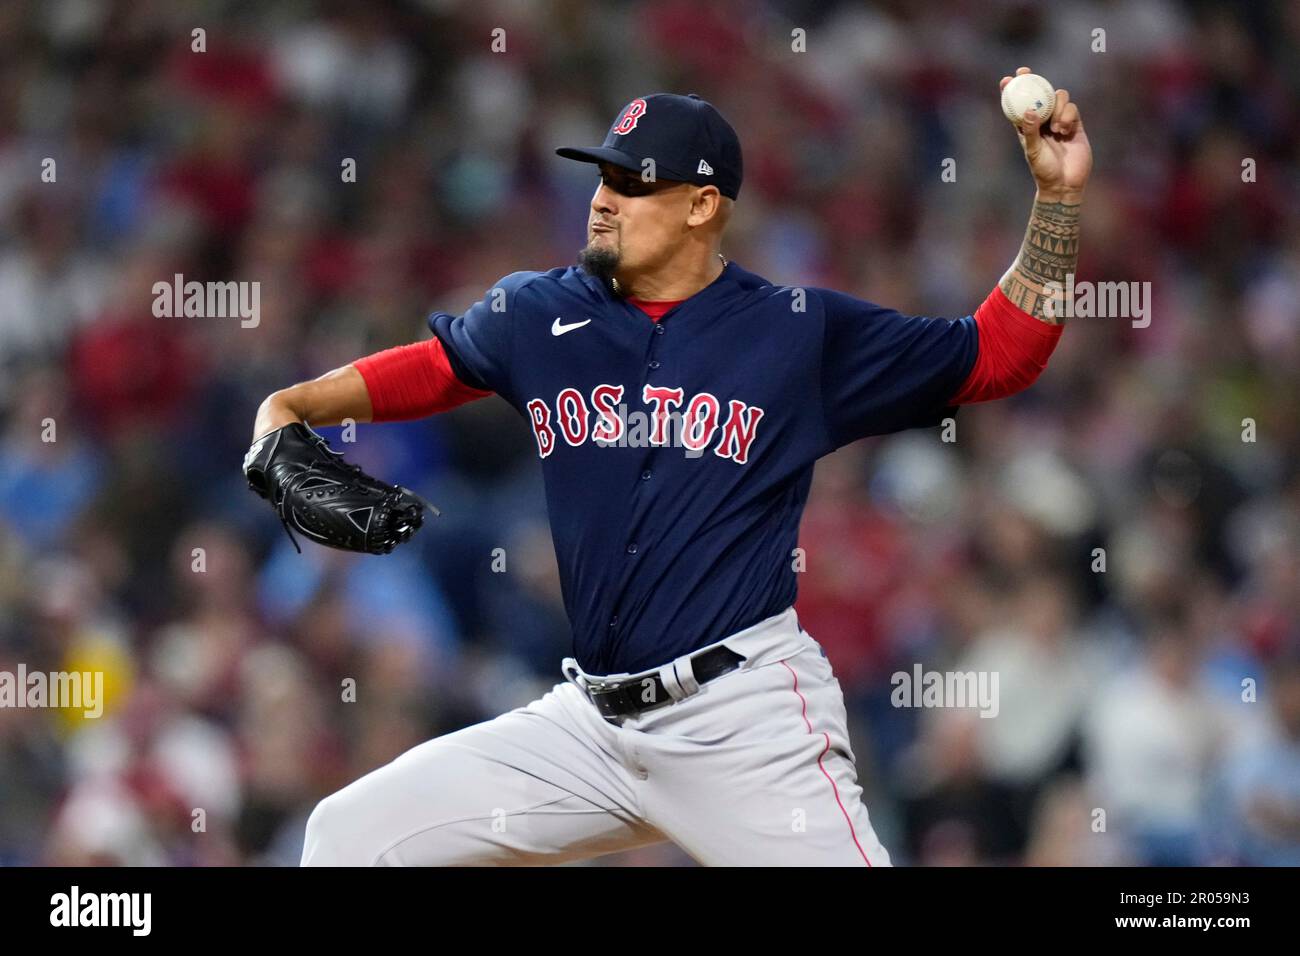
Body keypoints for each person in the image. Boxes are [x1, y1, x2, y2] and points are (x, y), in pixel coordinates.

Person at [248, 70, 1092, 865]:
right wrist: (293, 406)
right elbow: (433, 368)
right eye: (601, 178)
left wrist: (1056, 200)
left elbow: (994, 356)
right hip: (590, 726)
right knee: (348, 836)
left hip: (742, 720)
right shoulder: (540, 313)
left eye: (632, 184)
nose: (604, 201)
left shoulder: (793, 331)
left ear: (701, 205)